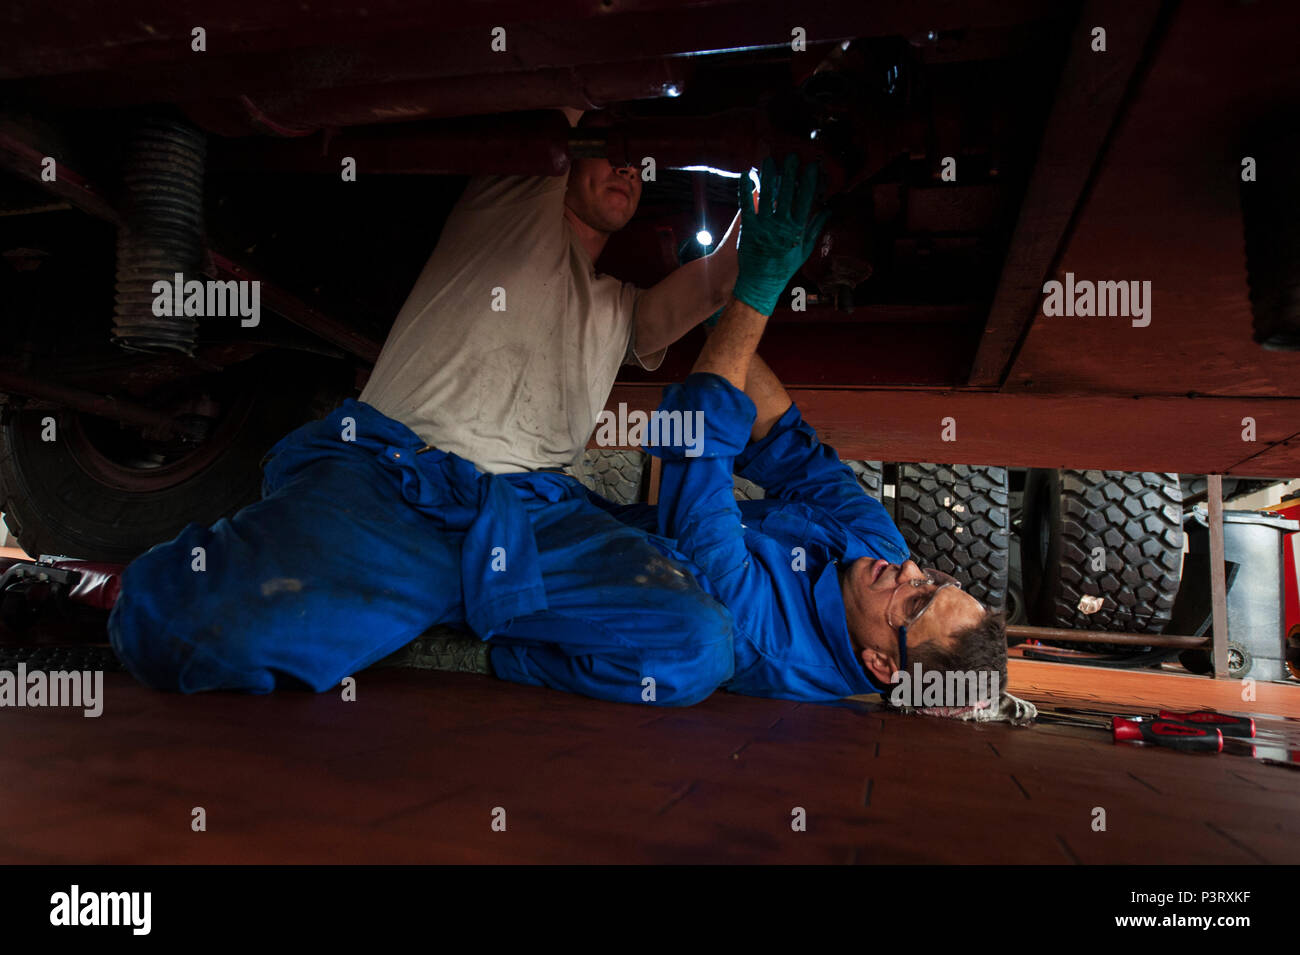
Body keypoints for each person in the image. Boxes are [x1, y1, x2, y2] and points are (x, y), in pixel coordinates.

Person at [107, 109, 745, 702]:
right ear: (565, 159)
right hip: (395, 488)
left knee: (698, 645)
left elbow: (724, 278)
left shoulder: (620, 310)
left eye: (637, 163)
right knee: (175, 626)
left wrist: (778, 209)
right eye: (608, 150)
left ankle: (476, 636)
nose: (629, 167)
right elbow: (567, 96)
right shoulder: (510, 203)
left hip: (527, 521)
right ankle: (446, 604)